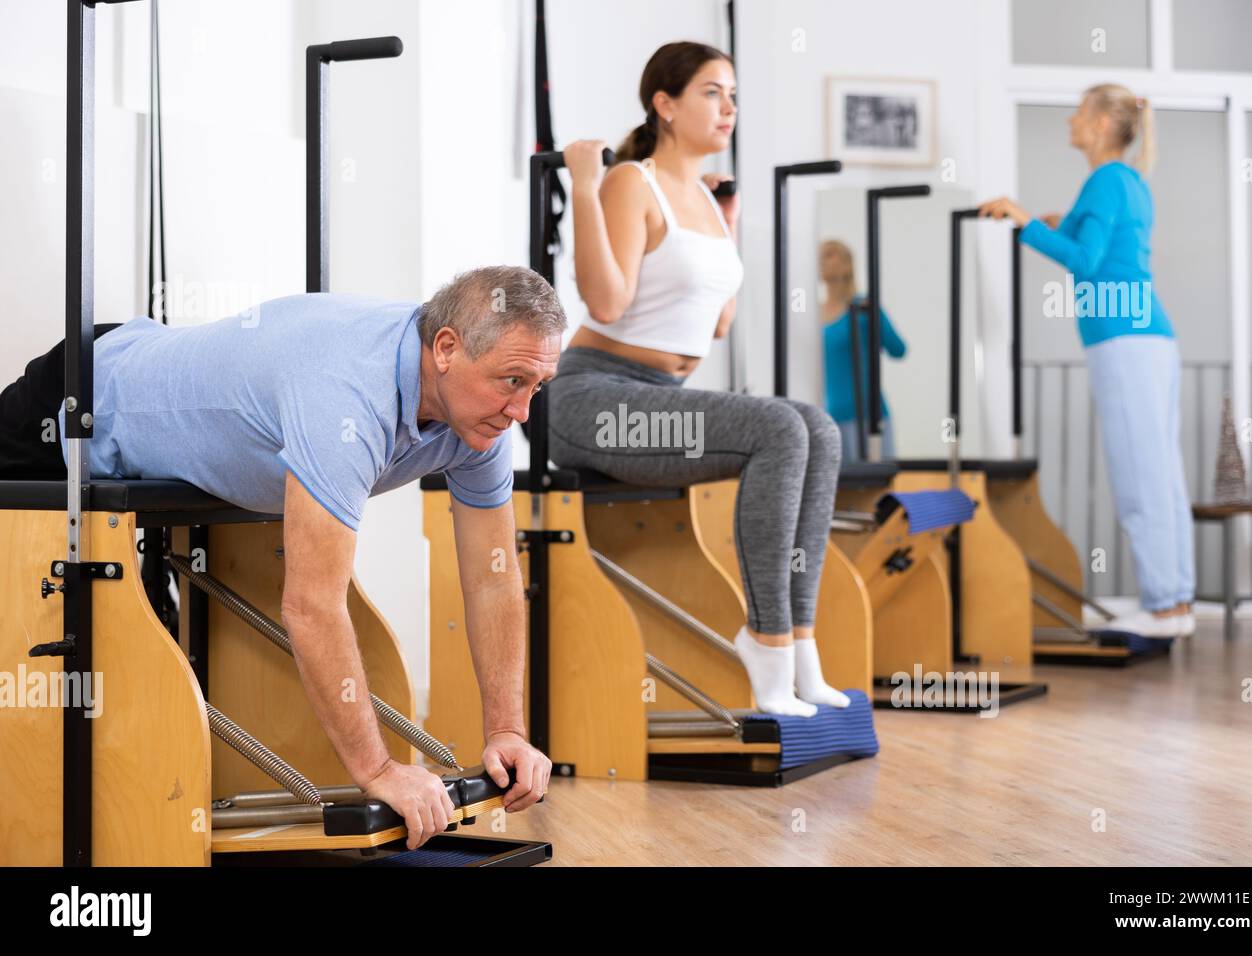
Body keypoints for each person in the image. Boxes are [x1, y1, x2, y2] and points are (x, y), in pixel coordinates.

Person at [0, 266, 559, 845]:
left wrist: (507, 730)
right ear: (446, 348)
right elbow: (312, 605)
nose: (521, 411)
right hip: (84, 396)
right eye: (511, 381)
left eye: (536, 387)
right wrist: (377, 771)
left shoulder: (482, 422)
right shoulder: (346, 396)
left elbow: (493, 579)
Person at [550, 41, 850, 717]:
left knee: (818, 429)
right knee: (778, 427)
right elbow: (605, 304)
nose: (729, 108)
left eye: (734, 95)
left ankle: (801, 642)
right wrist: (585, 187)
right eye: (713, 92)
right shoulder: (632, 182)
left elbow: (715, 327)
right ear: (665, 103)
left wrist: (730, 230)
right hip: (595, 401)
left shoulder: (709, 201)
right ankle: (766, 641)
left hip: (662, 399)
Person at [979, 83, 1194, 639]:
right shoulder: (1128, 183)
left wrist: (1024, 222)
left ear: (1100, 124)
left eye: (1078, 113)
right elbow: (1098, 243)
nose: (1070, 121)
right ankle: (1176, 603)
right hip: (1150, 339)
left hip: (1124, 342)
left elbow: (1085, 261)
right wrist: (1055, 223)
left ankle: (1162, 604)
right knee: (1161, 474)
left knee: (1139, 475)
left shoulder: (1104, 180)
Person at [819, 239, 907, 460]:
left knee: (876, 487)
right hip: (830, 417)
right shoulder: (812, 314)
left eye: (830, 254)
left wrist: (875, 316)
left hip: (869, 416)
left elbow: (898, 349)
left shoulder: (864, 307)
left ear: (848, 265)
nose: (822, 259)